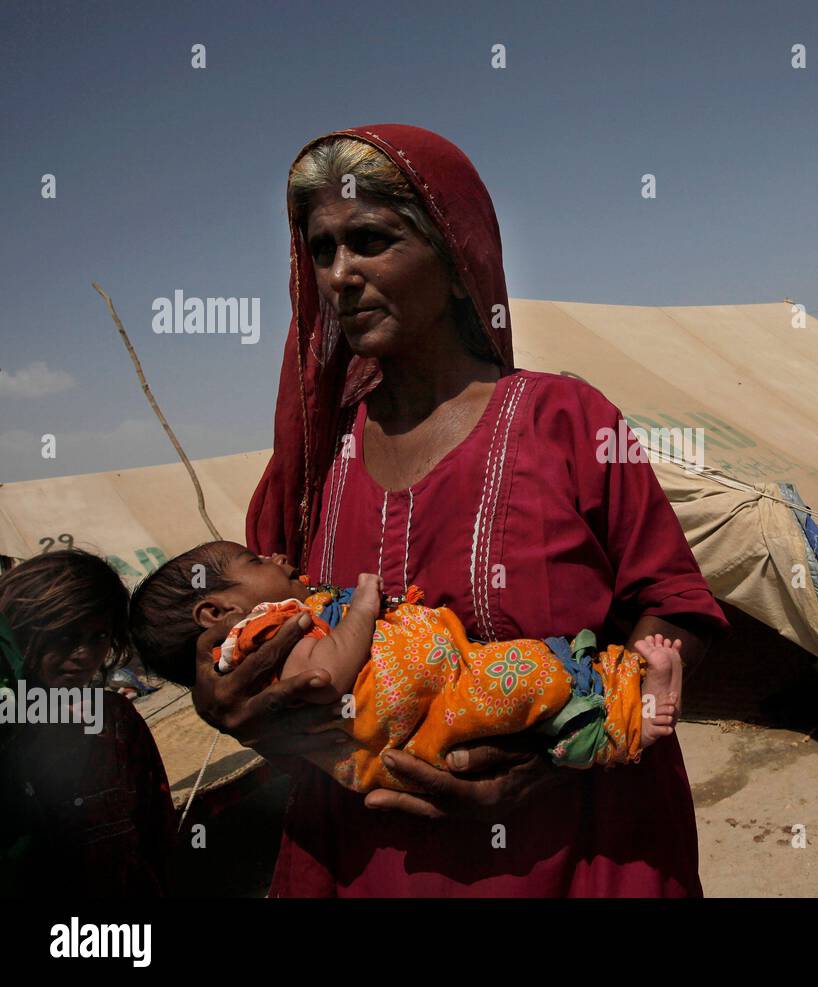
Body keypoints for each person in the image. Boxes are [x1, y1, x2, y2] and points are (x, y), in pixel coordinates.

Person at [190, 124, 728, 896]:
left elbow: (675, 609)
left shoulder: (566, 421)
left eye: (372, 239)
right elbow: (253, 643)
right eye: (321, 249)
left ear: (451, 257)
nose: (339, 276)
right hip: (363, 866)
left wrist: (556, 751)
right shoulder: (313, 469)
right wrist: (224, 695)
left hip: (575, 857)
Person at [130, 540, 683, 790]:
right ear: (217, 610)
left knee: (530, 690)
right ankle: (627, 716)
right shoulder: (260, 631)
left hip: (418, 728)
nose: (276, 557)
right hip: (420, 719)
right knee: (531, 675)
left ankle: (620, 711)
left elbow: (674, 589)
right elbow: (326, 677)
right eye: (255, 561)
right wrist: (366, 607)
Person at [0, 550, 175, 896]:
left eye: (99, 637)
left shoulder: (116, 718)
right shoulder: (8, 724)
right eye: (66, 635)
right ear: (23, 629)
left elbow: (156, 824)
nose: (84, 655)